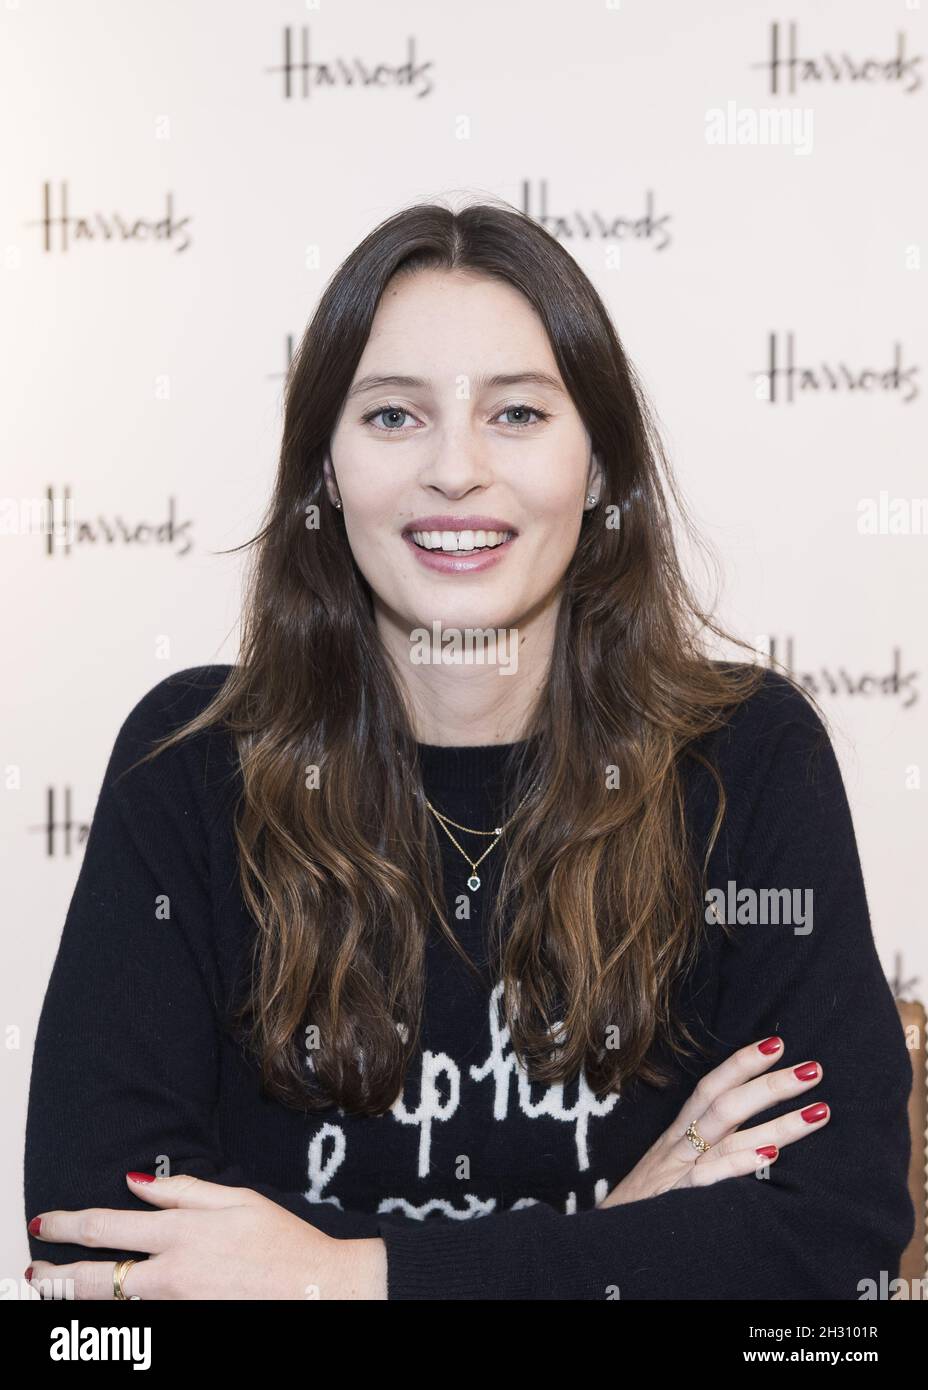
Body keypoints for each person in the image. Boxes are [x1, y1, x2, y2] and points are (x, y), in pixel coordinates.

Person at [23, 200, 913, 1301]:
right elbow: (97, 1239)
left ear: (597, 470)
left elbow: (836, 1234)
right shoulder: (191, 761)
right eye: (393, 416)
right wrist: (618, 1237)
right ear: (324, 474)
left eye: (518, 414)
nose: (455, 470)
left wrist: (344, 1277)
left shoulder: (746, 755)